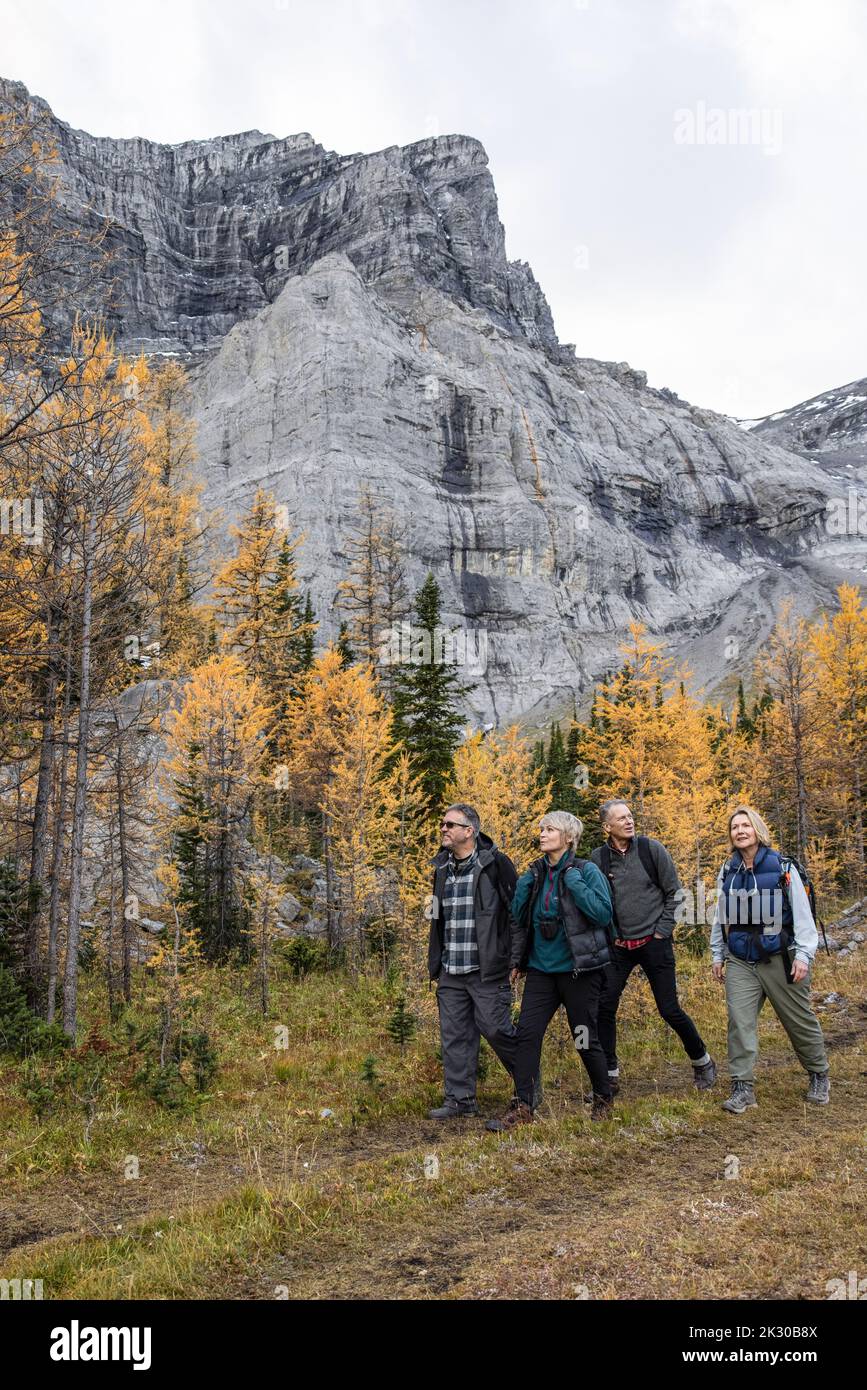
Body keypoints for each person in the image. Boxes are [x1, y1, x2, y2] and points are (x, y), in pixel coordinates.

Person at [486, 811, 614, 1131]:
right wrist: (516, 961)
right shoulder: (537, 873)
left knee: (584, 1038)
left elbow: (602, 913)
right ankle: (523, 1105)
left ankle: (602, 1095)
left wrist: (572, 880)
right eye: (541, 829)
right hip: (542, 971)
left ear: (568, 837)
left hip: (578, 971)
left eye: (550, 829)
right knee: (527, 1035)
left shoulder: (587, 870)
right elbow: (518, 917)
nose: (542, 834)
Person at [591, 799, 717, 1092]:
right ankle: (609, 1076)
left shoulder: (651, 850)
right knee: (604, 1007)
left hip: (654, 942)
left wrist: (662, 932)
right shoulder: (599, 859)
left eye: (630, 816)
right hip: (619, 947)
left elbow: (675, 893)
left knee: (669, 1009)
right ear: (607, 827)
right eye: (621, 818)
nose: (628, 821)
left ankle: (702, 1060)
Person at [711, 805, 830, 1113]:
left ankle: (818, 1074)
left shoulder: (783, 867)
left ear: (757, 830)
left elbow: (803, 916)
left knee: (798, 1020)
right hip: (740, 958)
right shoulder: (728, 871)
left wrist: (803, 955)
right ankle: (742, 1088)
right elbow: (720, 917)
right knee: (739, 1022)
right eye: (735, 827)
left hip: (780, 956)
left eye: (745, 825)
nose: (739, 831)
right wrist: (718, 954)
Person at [427, 803, 521, 1118]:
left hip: (488, 968)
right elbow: (438, 921)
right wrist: (435, 963)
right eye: (443, 824)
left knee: (496, 1029)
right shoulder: (440, 869)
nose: (444, 829)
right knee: (455, 1036)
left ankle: (527, 1088)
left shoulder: (496, 865)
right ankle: (460, 1101)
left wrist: (517, 959)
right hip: (451, 969)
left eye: (450, 825)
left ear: (469, 831)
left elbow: (517, 914)